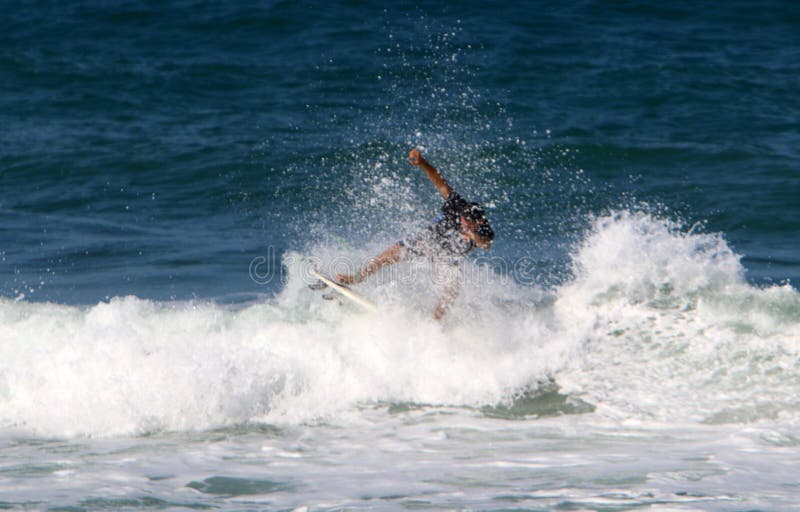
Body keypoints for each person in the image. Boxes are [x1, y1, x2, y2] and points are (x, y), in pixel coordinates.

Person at [336, 148, 494, 319]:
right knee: (390, 254)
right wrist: (422, 162)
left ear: (479, 222)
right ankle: (356, 278)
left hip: (446, 256)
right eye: (464, 217)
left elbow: (486, 245)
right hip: (427, 240)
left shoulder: (483, 230)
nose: (464, 221)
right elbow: (439, 182)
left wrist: (473, 236)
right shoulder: (458, 205)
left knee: (453, 288)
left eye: (469, 220)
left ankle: (436, 319)